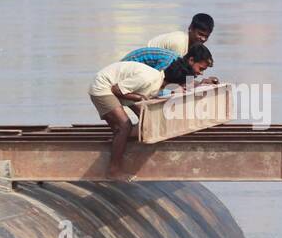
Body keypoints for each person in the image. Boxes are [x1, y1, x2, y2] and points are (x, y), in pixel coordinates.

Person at [89, 46, 214, 180]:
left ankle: (120, 141)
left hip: (126, 84)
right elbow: (117, 90)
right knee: (124, 126)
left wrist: (194, 86)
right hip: (104, 86)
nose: (201, 73)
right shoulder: (151, 77)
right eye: (201, 69)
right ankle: (113, 170)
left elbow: (158, 92)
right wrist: (140, 98)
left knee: (142, 120)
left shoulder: (162, 76)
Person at [148, 13, 214, 57]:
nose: (203, 39)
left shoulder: (192, 46)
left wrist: (192, 78)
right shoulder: (180, 42)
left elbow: (188, 69)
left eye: (206, 36)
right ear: (190, 28)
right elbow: (177, 72)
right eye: (200, 34)